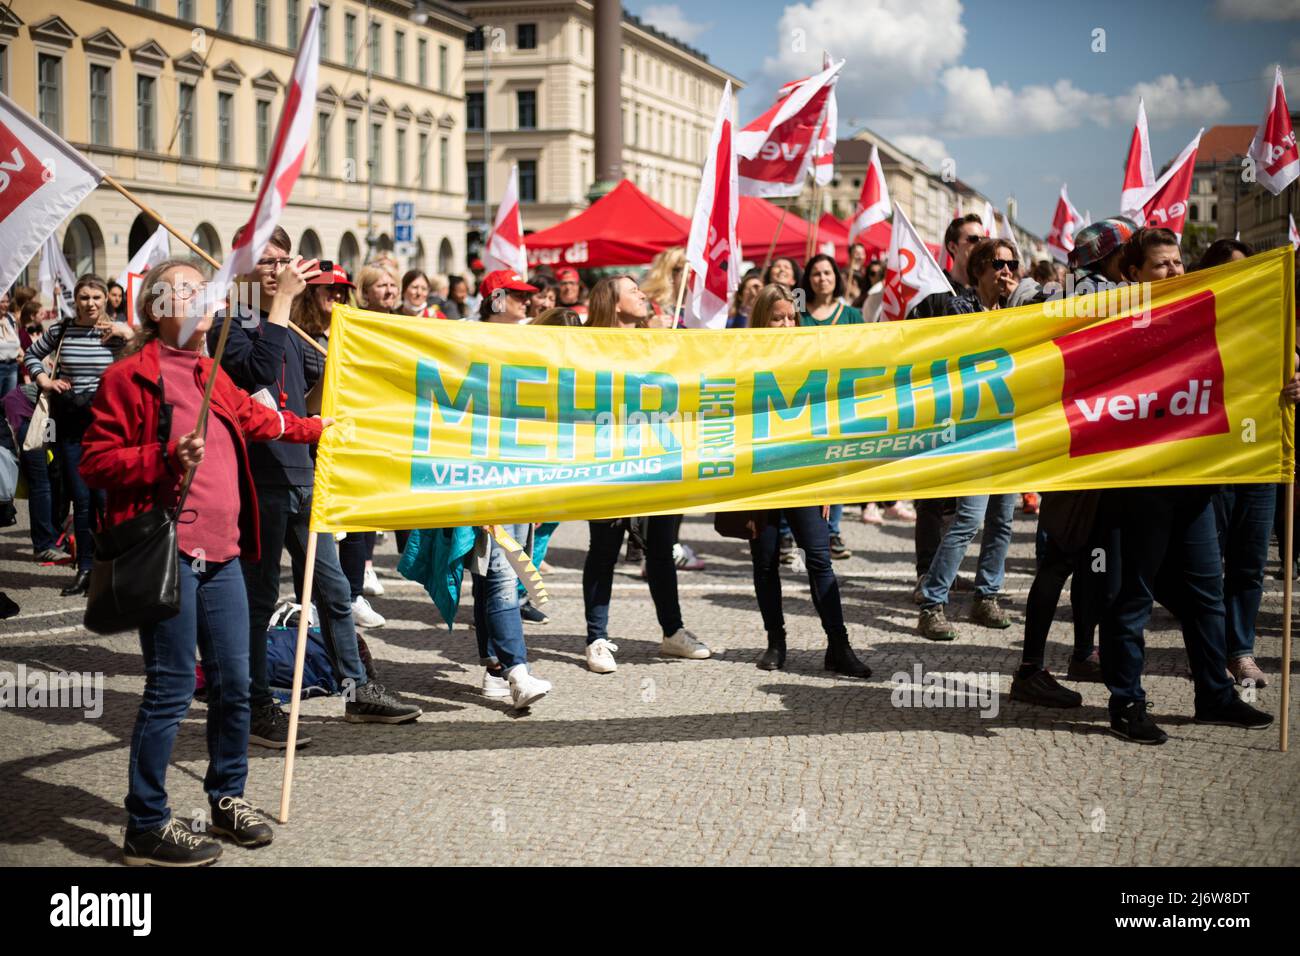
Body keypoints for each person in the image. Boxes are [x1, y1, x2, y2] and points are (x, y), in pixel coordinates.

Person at [79, 257, 328, 866]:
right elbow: (94, 463)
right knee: (168, 689)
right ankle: (146, 825)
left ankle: (226, 798)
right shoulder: (130, 376)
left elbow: (264, 419)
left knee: (236, 685)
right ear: (158, 307)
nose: (202, 297)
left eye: (204, 288)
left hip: (224, 555)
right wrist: (162, 456)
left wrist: (326, 428)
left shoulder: (211, 371)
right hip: (167, 553)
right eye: (186, 289)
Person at [212, 226, 421, 748]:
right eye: (264, 261)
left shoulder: (294, 326)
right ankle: (258, 705)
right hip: (258, 478)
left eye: (283, 259)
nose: (277, 269)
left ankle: (356, 691)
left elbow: (311, 388)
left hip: (303, 472)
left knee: (333, 591)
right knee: (259, 598)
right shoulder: (229, 322)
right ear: (240, 267)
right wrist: (281, 302)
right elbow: (257, 369)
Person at [1096, 227, 1272, 743]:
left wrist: (1283, 384)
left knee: (1206, 594)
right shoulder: (1115, 325)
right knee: (1133, 599)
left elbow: (1239, 376)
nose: (1174, 272)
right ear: (1133, 274)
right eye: (1161, 265)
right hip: (1139, 485)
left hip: (1195, 482)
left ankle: (1213, 695)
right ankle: (1127, 702)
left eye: (1178, 263)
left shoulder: (1202, 319)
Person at [579, 275, 713, 673]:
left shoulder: (660, 339)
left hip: (660, 457)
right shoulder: (590, 346)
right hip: (609, 460)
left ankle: (672, 632)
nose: (641, 294)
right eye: (632, 290)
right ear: (613, 303)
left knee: (662, 548)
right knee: (603, 550)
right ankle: (596, 638)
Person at [737, 284, 871, 677]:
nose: (785, 323)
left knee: (819, 558)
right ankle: (775, 642)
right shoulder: (742, 362)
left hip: (804, 473)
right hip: (759, 475)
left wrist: (828, 480)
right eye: (776, 317)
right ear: (761, 321)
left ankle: (838, 645)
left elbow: (824, 422)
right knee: (765, 564)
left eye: (790, 316)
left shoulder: (812, 358)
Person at [915, 240, 1020, 641]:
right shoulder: (960, 307)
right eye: (998, 264)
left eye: (1012, 264)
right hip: (972, 428)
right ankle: (932, 603)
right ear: (979, 271)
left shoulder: (1018, 311)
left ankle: (986, 596)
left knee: (1002, 520)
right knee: (969, 519)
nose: (1007, 271)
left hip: (1009, 427)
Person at [23, 275, 133, 595]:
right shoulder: (62, 329)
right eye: (84, 297)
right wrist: (44, 380)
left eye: (96, 297)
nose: (91, 303)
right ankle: (85, 568)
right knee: (82, 500)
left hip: (107, 427)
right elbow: (32, 354)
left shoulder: (116, 331)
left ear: (105, 299)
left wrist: (127, 333)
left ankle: (113, 569)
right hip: (71, 423)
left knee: (105, 499)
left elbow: (149, 356)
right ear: (76, 300)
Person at [1198, 238, 1272, 688]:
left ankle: (1240, 652)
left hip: (1261, 456)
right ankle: (1207, 649)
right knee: (1208, 564)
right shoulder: (1195, 320)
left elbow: (1288, 364)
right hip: (1214, 458)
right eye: (1230, 270)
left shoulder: (1268, 319)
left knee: (1250, 561)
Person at [641, 247, 686, 323]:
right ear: (671, 273)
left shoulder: (698, 307)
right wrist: (648, 328)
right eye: (691, 271)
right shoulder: (647, 306)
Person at [0, 289, 19, 397]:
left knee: (8, 402)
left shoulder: (11, 319)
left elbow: (17, 342)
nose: (6, 305)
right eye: (2, 302)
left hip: (12, 367)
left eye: (7, 301)